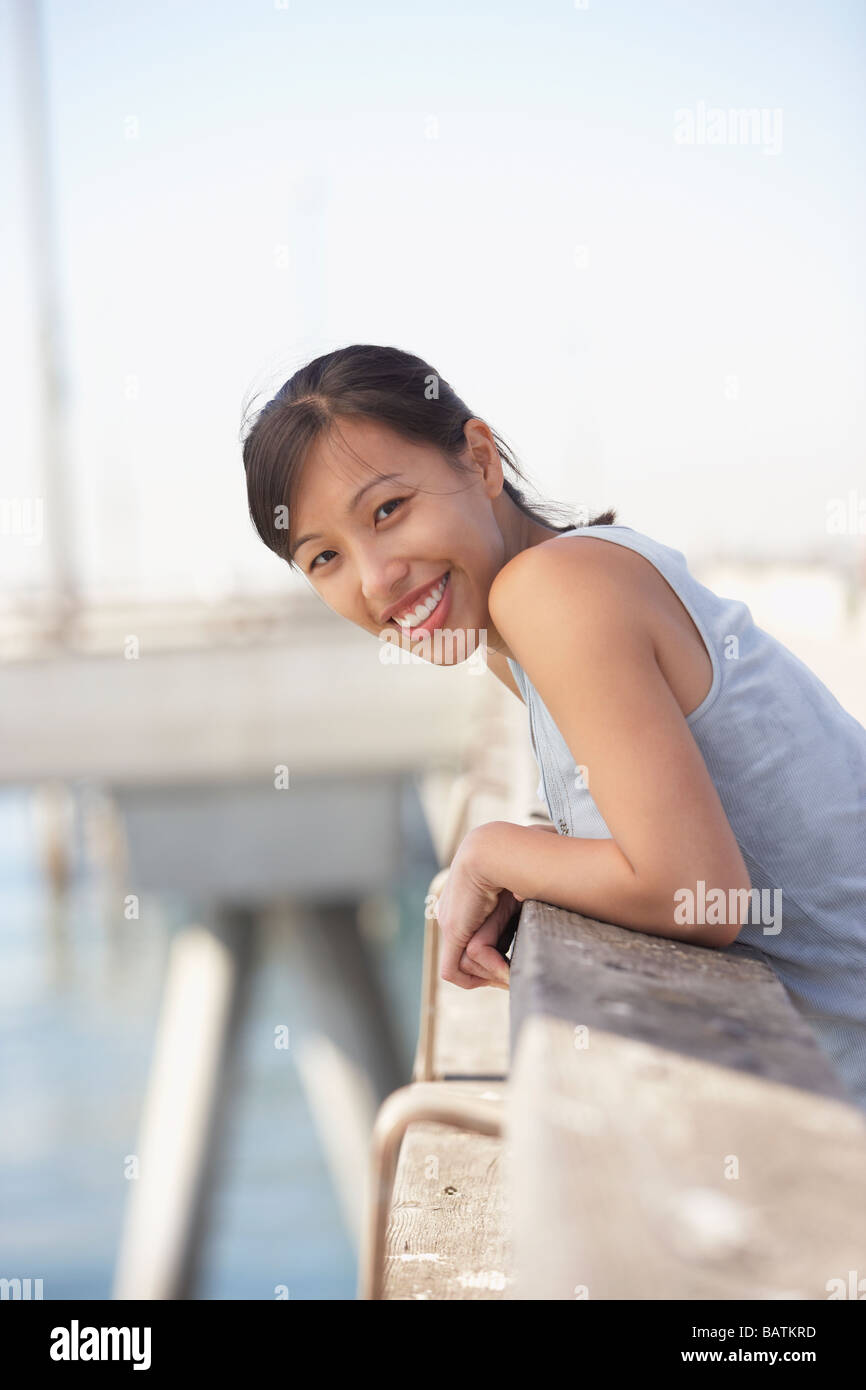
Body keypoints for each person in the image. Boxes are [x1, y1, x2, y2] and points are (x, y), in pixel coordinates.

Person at [242, 342, 866, 1112]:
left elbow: (695, 889)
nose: (376, 579)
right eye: (325, 557)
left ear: (478, 458)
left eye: (388, 510)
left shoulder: (552, 592)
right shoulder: (532, 623)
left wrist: (494, 853)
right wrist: (544, 866)